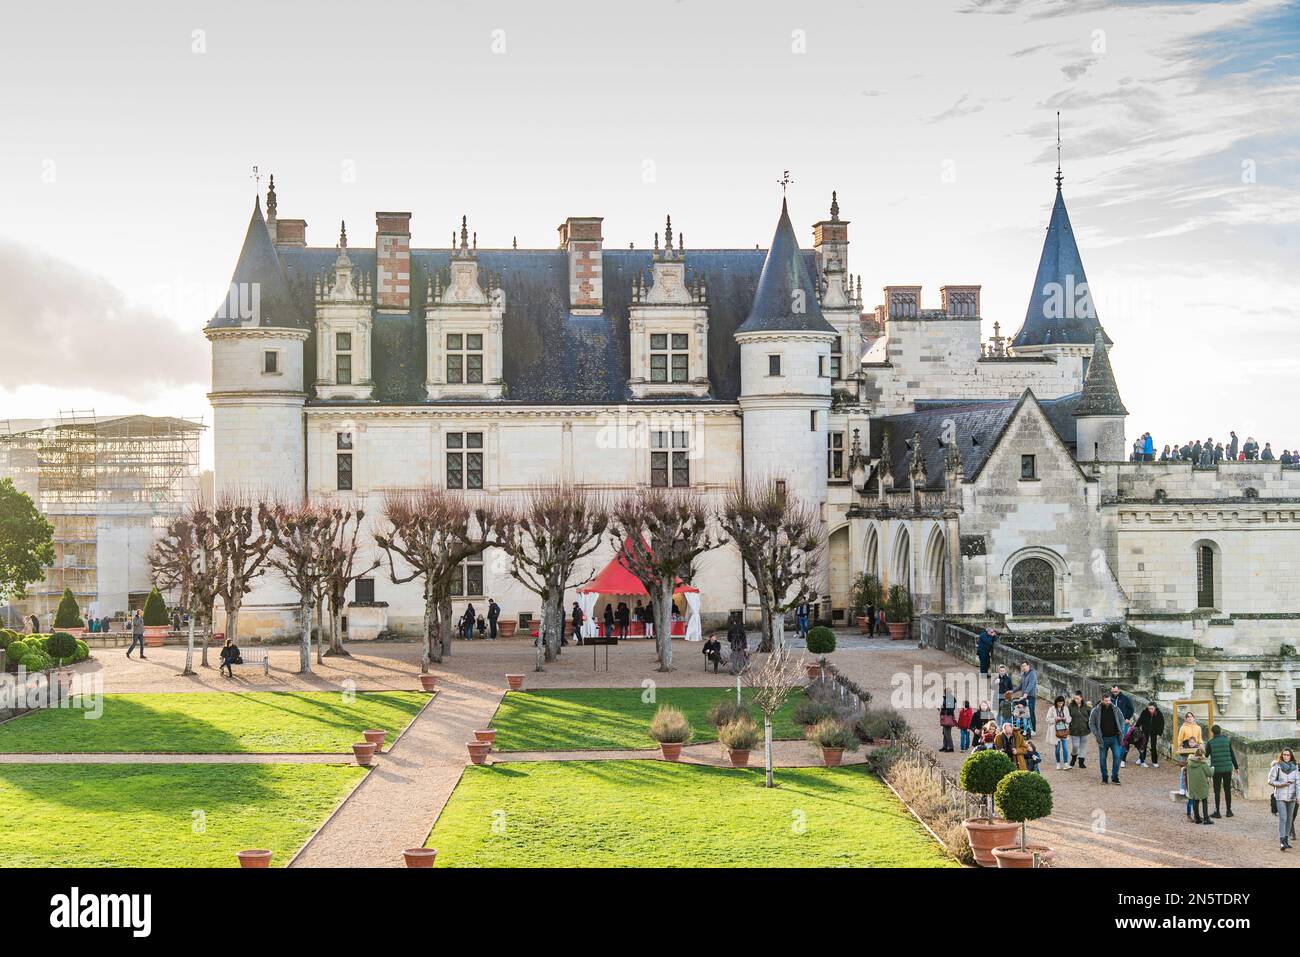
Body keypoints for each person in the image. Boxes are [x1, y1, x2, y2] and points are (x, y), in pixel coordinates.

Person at [1089, 692, 1125, 784]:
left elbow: (1122, 720)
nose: (1108, 702)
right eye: (1106, 701)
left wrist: (1121, 730)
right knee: (1102, 759)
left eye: (1109, 700)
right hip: (1103, 739)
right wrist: (1097, 734)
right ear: (1102, 700)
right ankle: (1104, 777)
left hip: (1115, 738)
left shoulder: (1116, 709)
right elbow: (1091, 723)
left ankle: (1115, 776)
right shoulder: (1096, 711)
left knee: (1117, 757)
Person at [1269, 748, 1299, 851]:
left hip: (1292, 797)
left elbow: (1298, 784)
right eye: (1285, 755)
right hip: (1280, 796)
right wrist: (1282, 784)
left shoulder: (1295, 768)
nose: (1286, 756)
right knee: (1283, 818)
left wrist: (1298, 797)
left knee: (1290, 819)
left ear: (1291, 756)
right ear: (1282, 756)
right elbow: (1270, 781)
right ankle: (1282, 841)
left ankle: (1286, 839)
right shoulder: (1276, 767)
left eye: (1288, 755)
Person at [1205, 725, 1237, 818]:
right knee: (1227, 789)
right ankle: (1229, 810)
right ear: (1220, 731)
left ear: (1212, 732)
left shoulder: (1210, 742)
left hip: (1217, 769)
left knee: (1217, 790)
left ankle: (1217, 812)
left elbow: (1206, 756)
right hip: (1227, 768)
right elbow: (1232, 754)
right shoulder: (1227, 740)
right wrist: (1236, 767)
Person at [1186, 746, 1213, 825]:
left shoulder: (1189, 763)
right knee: (1204, 800)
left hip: (1193, 785)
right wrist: (1213, 768)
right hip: (1202, 785)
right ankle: (1206, 818)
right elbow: (1209, 773)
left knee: (1195, 800)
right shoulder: (1202, 764)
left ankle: (1197, 818)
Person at [1134, 703, 1163, 768]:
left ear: (1155, 708)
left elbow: (1161, 724)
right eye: (1149, 708)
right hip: (1145, 731)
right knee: (1143, 745)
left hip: (1154, 732)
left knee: (1153, 746)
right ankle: (1141, 759)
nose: (1150, 710)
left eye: (1152, 708)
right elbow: (1140, 720)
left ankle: (1155, 762)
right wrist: (1136, 728)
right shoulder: (1144, 712)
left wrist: (1159, 733)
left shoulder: (1159, 714)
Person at [1067, 690, 1090, 769]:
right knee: (1075, 746)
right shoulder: (1070, 707)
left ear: (1081, 698)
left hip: (1085, 729)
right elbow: (1067, 717)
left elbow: (1091, 717)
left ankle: (1081, 761)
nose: (1075, 700)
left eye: (1077, 698)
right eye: (1074, 698)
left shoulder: (1087, 707)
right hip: (1074, 730)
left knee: (1083, 746)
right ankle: (1073, 758)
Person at [1048, 695, 1071, 770]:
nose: (1060, 704)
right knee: (1057, 748)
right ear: (1056, 702)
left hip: (1064, 730)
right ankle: (1058, 763)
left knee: (1065, 748)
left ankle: (1066, 763)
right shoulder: (1052, 709)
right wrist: (1055, 719)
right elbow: (1047, 719)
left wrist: (1065, 719)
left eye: (1061, 703)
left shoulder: (1066, 708)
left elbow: (1069, 719)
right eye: (1059, 703)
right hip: (1056, 731)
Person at [1020, 660, 1038, 735]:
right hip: (1025, 696)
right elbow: (1021, 685)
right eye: (1022, 666)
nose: (1023, 667)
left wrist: (1026, 693)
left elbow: (1031, 684)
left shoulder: (1032, 673)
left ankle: (1033, 729)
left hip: (1031, 696)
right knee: (1023, 712)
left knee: (1031, 711)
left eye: (1024, 666)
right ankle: (1025, 728)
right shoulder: (1023, 675)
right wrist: (1012, 691)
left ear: (1028, 666)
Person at [939, 687, 957, 752]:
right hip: (946, 717)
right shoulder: (947, 698)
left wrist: (943, 709)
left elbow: (951, 709)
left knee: (947, 733)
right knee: (944, 732)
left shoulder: (950, 699)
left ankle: (951, 748)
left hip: (948, 717)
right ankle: (945, 746)